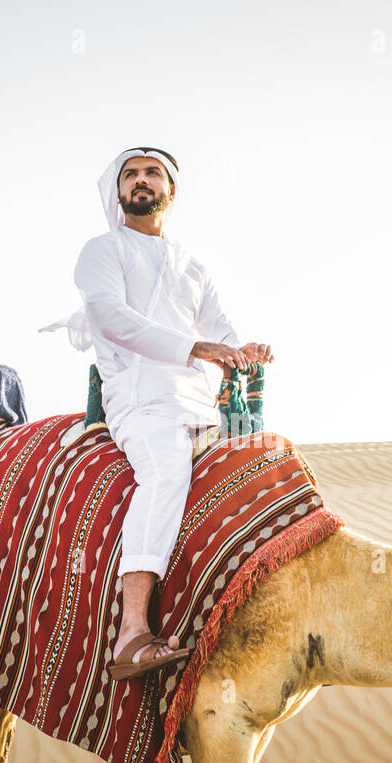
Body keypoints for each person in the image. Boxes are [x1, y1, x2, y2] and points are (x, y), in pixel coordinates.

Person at [53, 147, 273, 681]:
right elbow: (110, 317)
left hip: (197, 401)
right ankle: (132, 633)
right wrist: (196, 349)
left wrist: (242, 351)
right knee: (166, 473)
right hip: (140, 398)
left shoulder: (191, 264)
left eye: (153, 174)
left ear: (170, 193)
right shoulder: (102, 250)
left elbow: (219, 328)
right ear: (119, 192)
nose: (141, 181)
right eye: (131, 175)